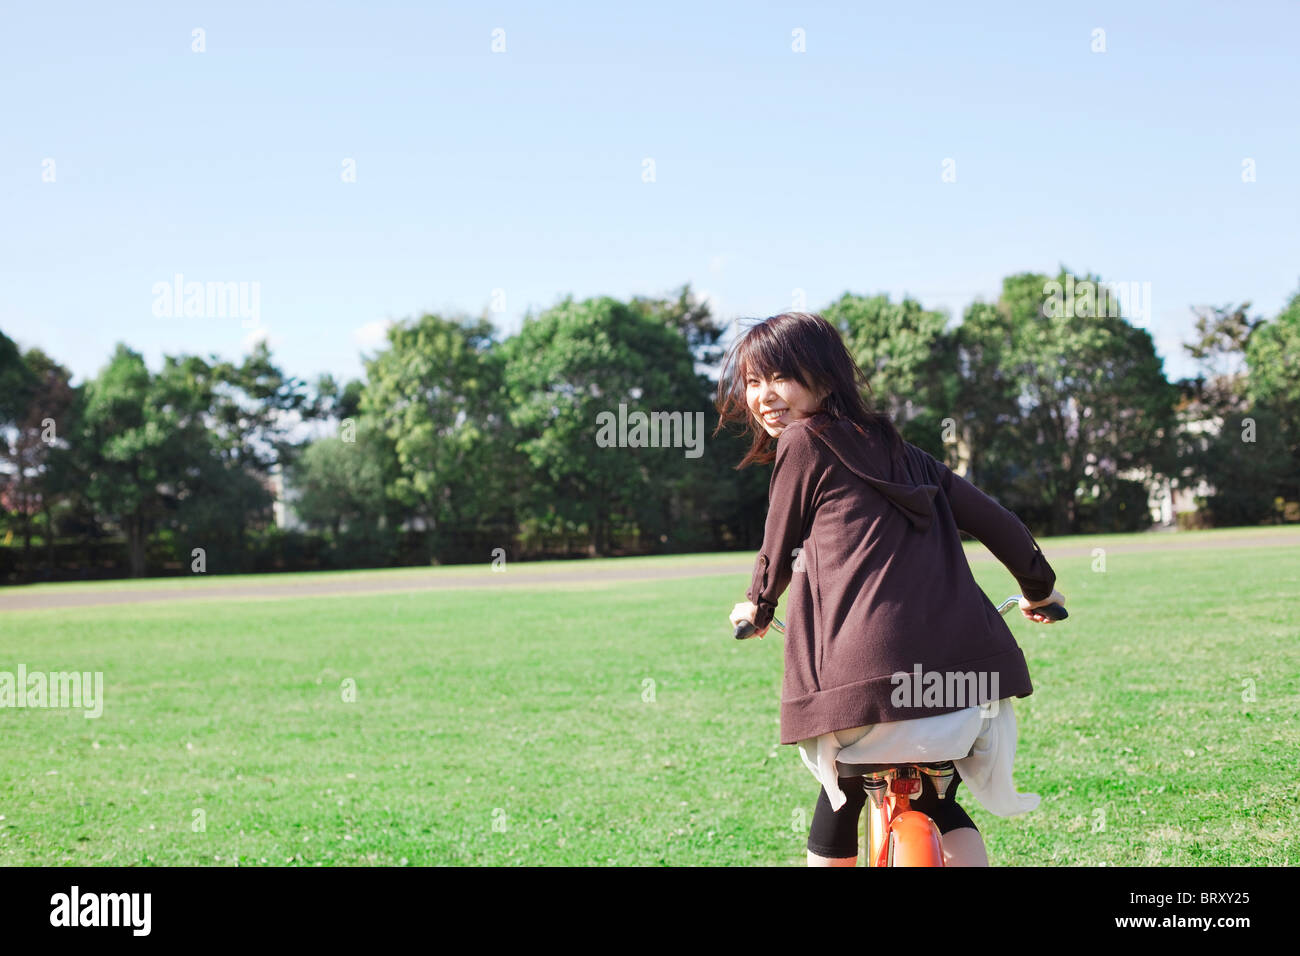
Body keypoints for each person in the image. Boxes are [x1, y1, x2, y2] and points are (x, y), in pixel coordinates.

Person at [716, 312, 1066, 866]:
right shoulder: (911, 456)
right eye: (753, 381)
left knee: (842, 795)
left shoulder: (804, 442)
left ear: (825, 380)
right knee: (938, 794)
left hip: (863, 690)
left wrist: (757, 608)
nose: (763, 396)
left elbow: (777, 545)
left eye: (780, 377)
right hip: (959, 689)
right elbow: (999, 523)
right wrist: (1039, 590)